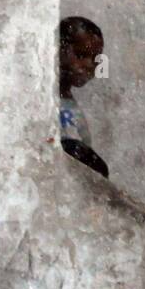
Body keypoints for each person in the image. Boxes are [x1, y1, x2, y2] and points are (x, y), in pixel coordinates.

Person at [59, 16, 109, 178]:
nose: (89, 65)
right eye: (81, 55)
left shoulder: (71, 105)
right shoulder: (44, 99)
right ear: (58, 49)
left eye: (95, 59)